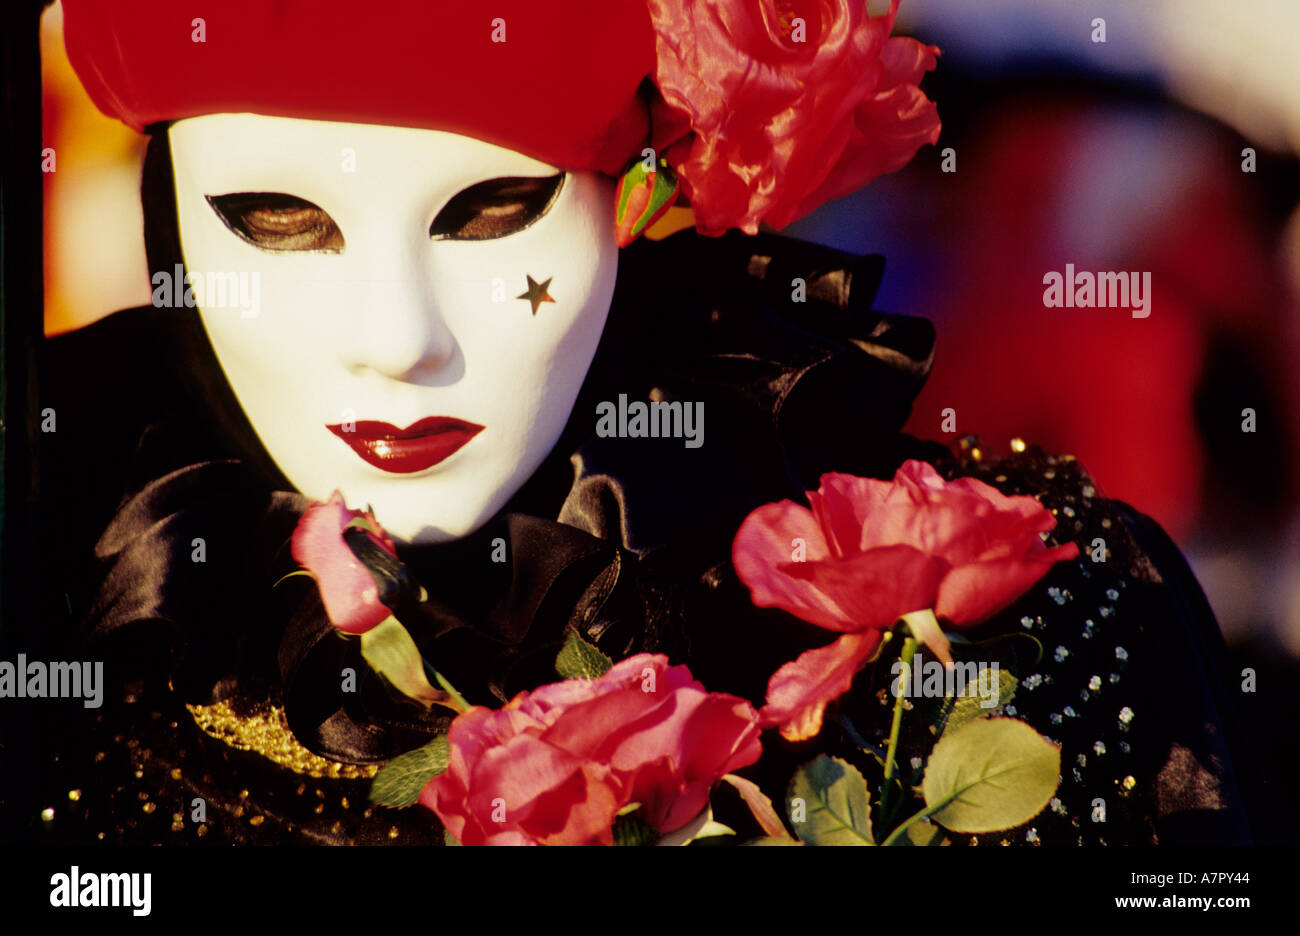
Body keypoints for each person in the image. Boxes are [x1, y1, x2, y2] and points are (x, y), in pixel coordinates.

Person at [23, 0, 1261, 845]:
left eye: (492, 209)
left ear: (639, 196)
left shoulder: (1029, 623)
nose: (396, 337)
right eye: (278, 222)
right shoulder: (66, 630)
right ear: (170, 227)